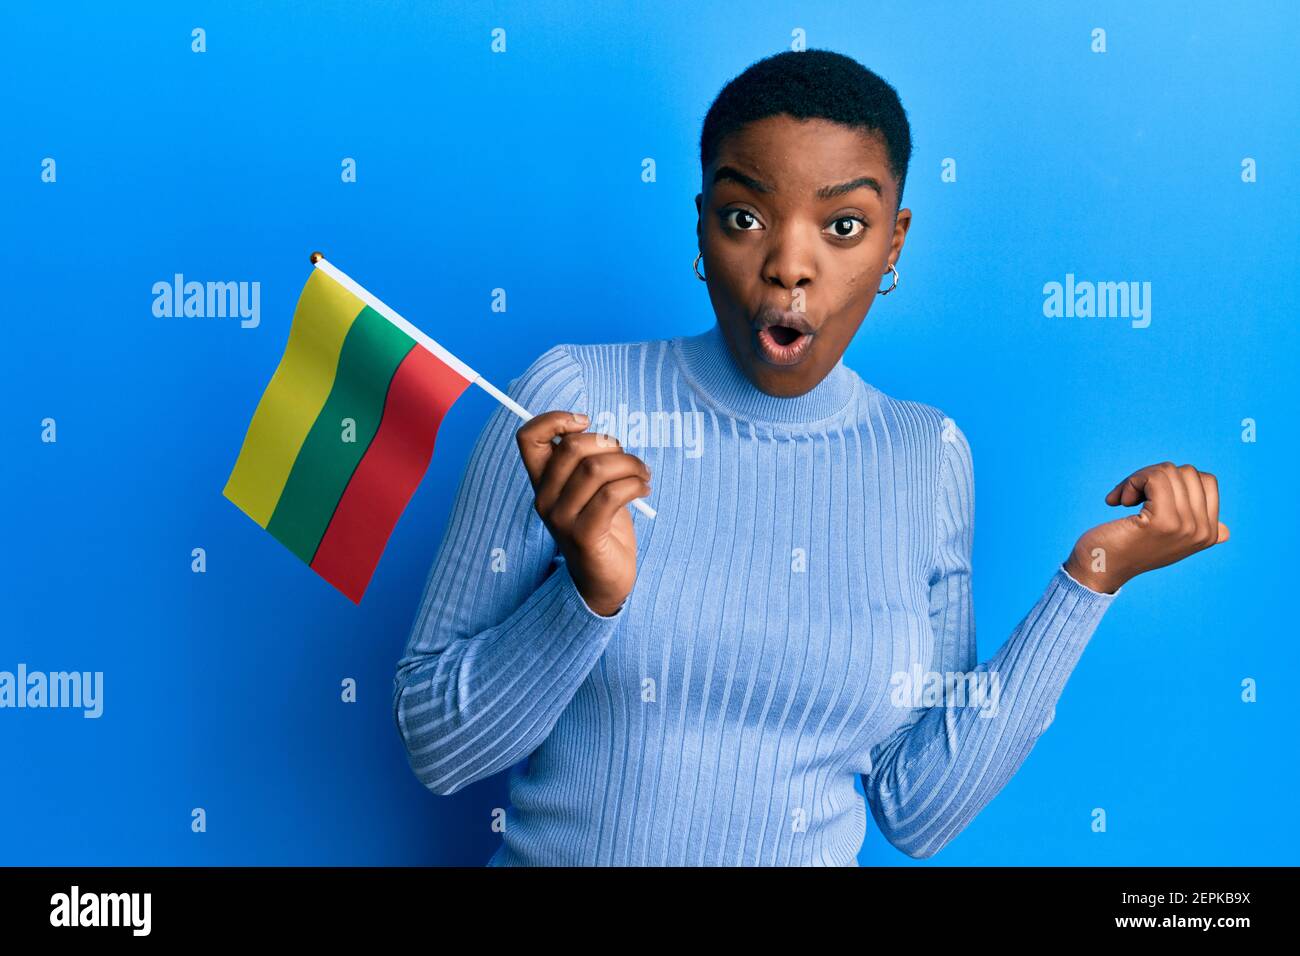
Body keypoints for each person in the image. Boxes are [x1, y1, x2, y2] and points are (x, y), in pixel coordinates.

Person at [392, 49, 1228, 866]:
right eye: (745, 217)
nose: (790, 265)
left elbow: (916, 808)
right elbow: (438, 748)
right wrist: (587, 598)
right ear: (702, 224)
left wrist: (1091, 580)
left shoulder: (926, 456)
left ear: (893, 242)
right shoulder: (576, 400)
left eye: (843, 226)